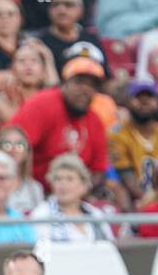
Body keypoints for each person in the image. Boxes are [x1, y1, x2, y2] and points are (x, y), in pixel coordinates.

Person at [7, 56, 109, 186]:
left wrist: (81, 193)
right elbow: (12, 148)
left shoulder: (95, 121)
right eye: (79, 82)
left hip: (74, 194)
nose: (85, 90)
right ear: (64, 83)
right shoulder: (42, 105)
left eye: (92, 85)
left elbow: (98, 170)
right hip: (32, 188)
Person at [108, 81, 158, 208]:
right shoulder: (117, 134)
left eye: (149, 98)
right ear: (128, 102)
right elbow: (126, 177)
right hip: (132, 200)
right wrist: (151, 201)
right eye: (138, 98)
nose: (144, 102)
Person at [30, 152, 113, 245]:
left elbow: (109, 248)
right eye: (58, 179)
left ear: (84, 185)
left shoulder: (95, 214)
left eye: (70, 179)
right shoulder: (42, 214)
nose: (63, 184)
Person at [33, 0, 101, 76]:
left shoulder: (92, 40)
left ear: (81, 10)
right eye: (55, 4)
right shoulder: (39, 43)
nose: (61, 10)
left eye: (68, 4)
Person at [0, 123, 45, 214]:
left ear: (27, 152)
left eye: (20, 145)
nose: (13, 149)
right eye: (7, 145)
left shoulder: (35, 189)